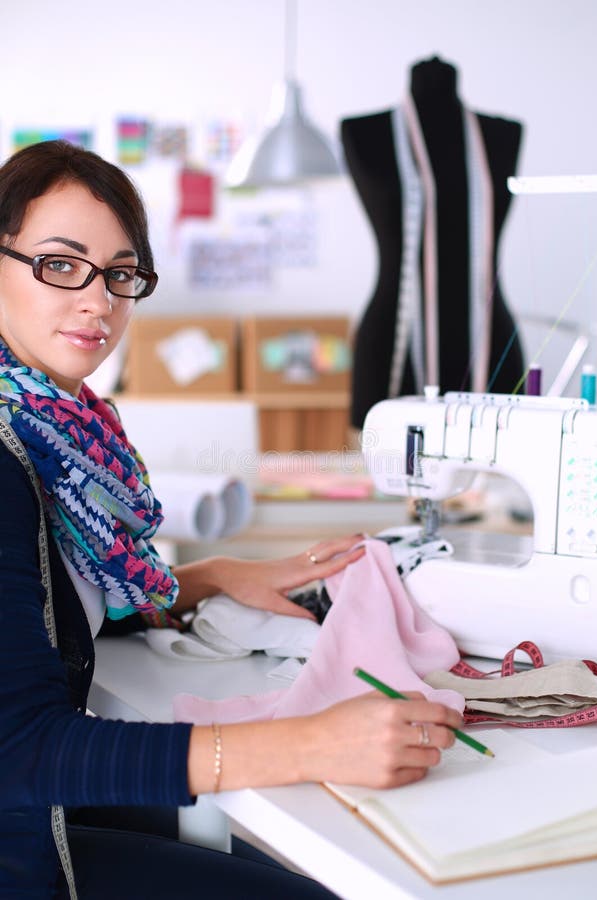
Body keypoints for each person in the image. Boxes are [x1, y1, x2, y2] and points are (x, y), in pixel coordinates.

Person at [0, 140, 463, 899]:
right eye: (59, 263)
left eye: (120, 272)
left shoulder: (61, 430)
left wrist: (205, 579)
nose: (99, 300)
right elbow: (19, 748)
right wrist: (306, 742)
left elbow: (36, 619)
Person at [341, 55, 525, 429]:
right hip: (392, 346)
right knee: (392, 476)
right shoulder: (365, 132)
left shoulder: (501, 135)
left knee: (487, 480)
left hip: (490, 347)